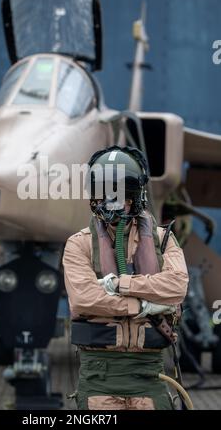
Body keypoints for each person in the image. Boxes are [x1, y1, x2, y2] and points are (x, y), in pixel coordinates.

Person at [63, 146, 189, 410]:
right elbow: (84, 300)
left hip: (148, 372)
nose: (111, 201)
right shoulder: (79, 244)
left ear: (135, 196)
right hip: (99, 375)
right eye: (104, 194)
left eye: (120, 194)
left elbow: (177, 286)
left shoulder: (162, 239)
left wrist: (121, 284)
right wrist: (143, 306)